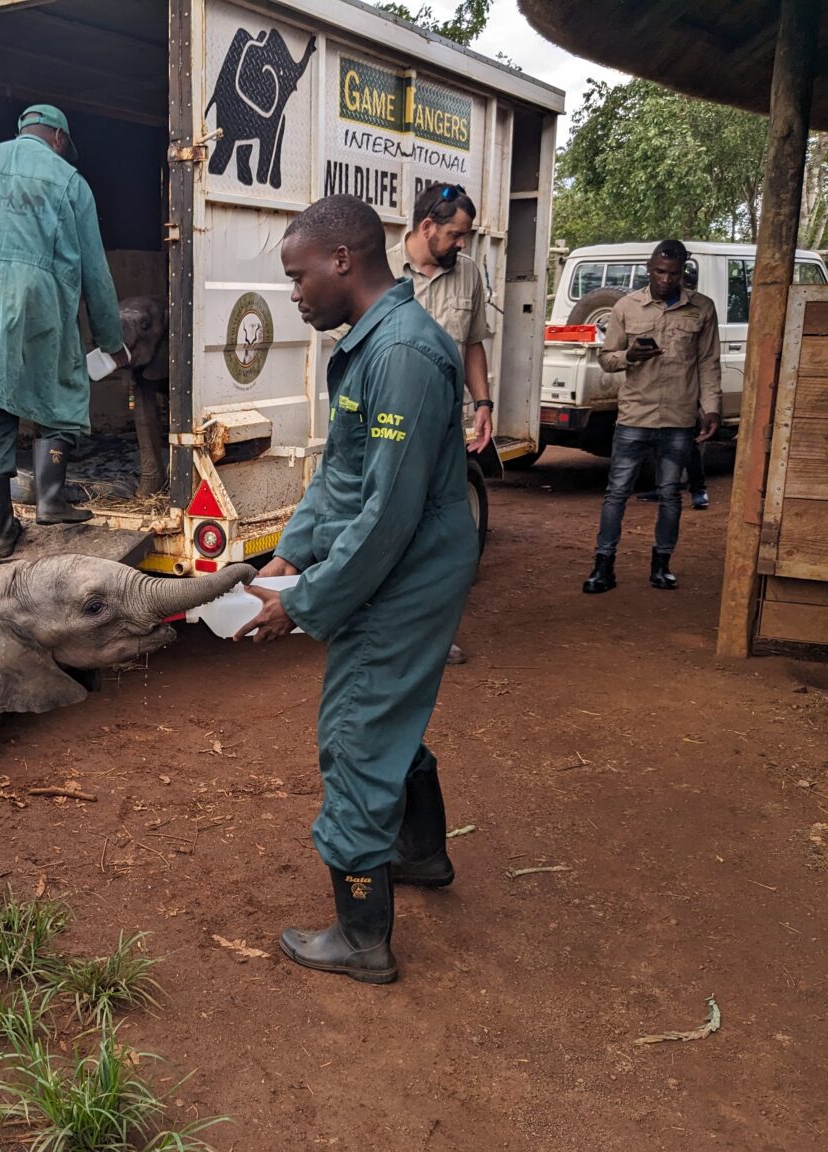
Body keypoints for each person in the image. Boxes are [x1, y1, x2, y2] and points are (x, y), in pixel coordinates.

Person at [235, 195, 478, 985]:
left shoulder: (401, 354)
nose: (294, 293)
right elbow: (343, 476)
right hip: (401, 561)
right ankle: (423, 853)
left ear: (343, 260)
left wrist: (302, 602)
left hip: (405, 573)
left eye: (298, 276)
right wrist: (287, 555)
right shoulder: (371, 346)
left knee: (357, 733)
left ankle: (361, 937)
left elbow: (387, 514)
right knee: (390, 713)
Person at [0, 104, 129, 557]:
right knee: (59, 393)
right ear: (58, 139)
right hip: (42, 298)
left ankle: (1, 531)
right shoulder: (70, 181)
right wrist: (110, 339)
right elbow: (95, 271)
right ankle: (51, 500)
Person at [388, 182, 494, 665]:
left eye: (465, 236)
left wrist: (484, 403)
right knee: (389, 531)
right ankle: (385, 636)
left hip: (445, 431)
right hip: (387, 432)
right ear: (426, 226)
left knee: (441, 537)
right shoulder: (382, 270)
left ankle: (431, 637)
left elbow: (472, 344)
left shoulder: (468, 275)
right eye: (455, 234)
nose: (461, 244)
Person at [582, 240, 721, 593]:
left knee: (670, 494)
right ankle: (603, 566)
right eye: (659, 271)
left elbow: (708, 363)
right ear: (648, 267)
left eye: (672, 273)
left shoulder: (702, 309)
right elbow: (606, 358)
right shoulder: (626, 306)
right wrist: (631, 355)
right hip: (634, 415)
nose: (665, 279)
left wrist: (712, 408)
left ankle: (662, 565)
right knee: (616, 493)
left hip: (678, 417)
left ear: (682, 272)